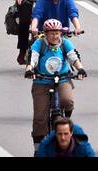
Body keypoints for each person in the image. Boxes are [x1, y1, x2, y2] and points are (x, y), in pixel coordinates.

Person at [25, 18, 87, 147]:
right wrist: (30, 69)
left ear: (60, 33)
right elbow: (33, 58)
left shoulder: (65, 43)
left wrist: (80, 69)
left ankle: (66, 120)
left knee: (68, 102)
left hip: (62, 79)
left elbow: (73, 57)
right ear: (46, 33)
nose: (54, 36)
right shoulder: (40, 43)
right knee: (40, 117)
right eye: (51, 33)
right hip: (42, 81)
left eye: (57, 33)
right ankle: (37, 147)